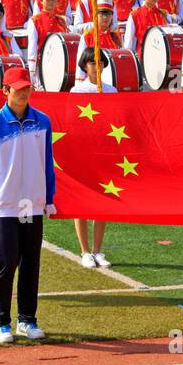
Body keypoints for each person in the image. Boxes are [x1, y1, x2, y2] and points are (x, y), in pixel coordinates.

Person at [0, 65, 55, 344]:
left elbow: (47, 163)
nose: (23, 93)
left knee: (31, 263)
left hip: (31, 204)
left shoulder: (42, 121)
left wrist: (50, 198)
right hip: (5, 205)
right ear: (5, 91)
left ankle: (27, 320)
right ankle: (2, 322)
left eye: (27, 88)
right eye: (17, 89)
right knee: (6, 263)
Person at [70, 47, 115, 268]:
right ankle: (85, 251)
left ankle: (98, 250)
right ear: (85, 66)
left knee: (103, 201)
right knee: (82, 202)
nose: (97, 67)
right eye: (92, 63)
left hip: (104, 151)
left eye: (100, 62)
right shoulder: (76, 91)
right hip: (83, 152)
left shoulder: (111, 90)